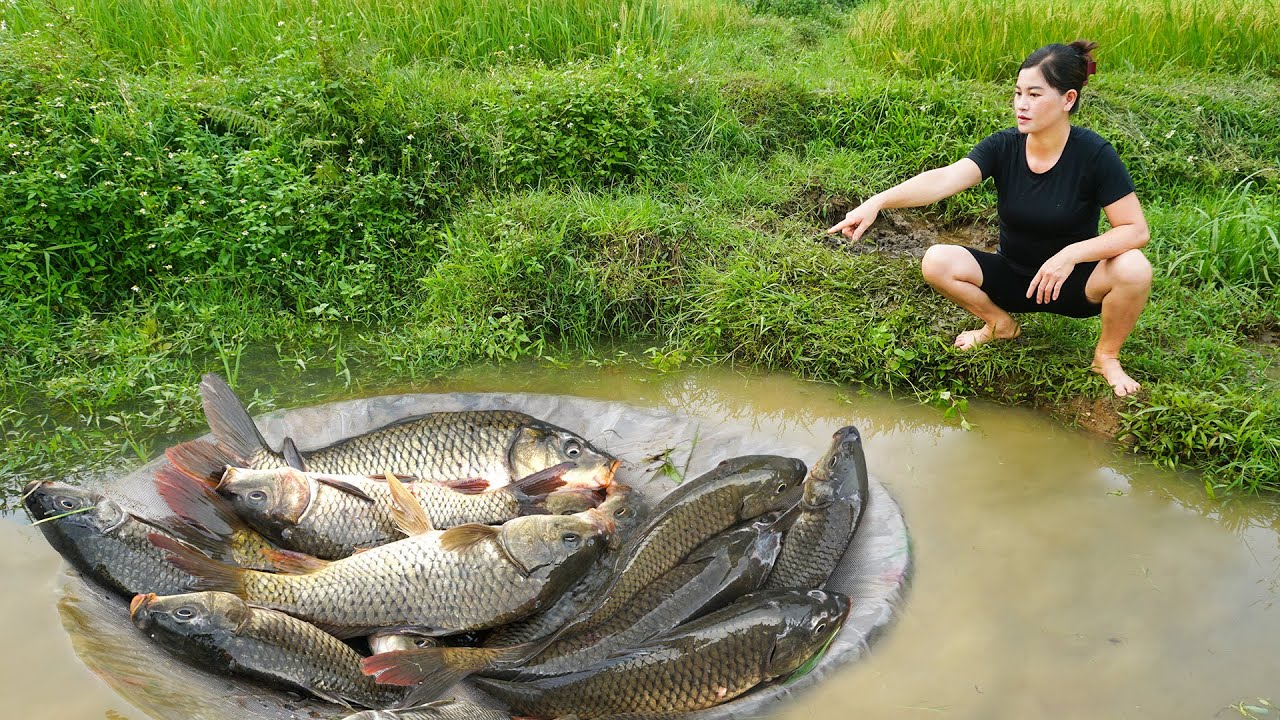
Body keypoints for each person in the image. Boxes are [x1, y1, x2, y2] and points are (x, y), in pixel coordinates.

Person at [828, 40, 1152, 397]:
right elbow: (945, 178)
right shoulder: (1003, 146)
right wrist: (878, 202)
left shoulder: (1094, 155)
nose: (1021, 104)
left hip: (1073, 284)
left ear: (1068, 99)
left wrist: (1070, 255)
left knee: (1134, 267)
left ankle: (1106, 356)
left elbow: (1135, 229)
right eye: (1017, 93)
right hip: (1012, 277)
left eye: (1034, 94)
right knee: (937, 260)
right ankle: (999, 324)